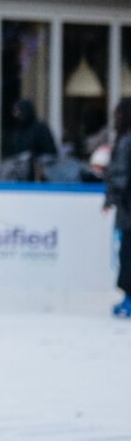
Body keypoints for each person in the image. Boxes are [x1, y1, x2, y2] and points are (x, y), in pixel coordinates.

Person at [102, 97, 131, 318]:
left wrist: (111, 198)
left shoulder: (125, 141)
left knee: (128, 253)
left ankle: (129, 299)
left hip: (128, 207)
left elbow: (119, 174)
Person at [6, 99, 58, 179]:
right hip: (18, 173)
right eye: (15, 112)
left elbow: (51, 152)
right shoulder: (17, 131)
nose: (16, 115)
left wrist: (32, 158)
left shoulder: (40, 129)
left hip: (39, 173)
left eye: (18, 111)